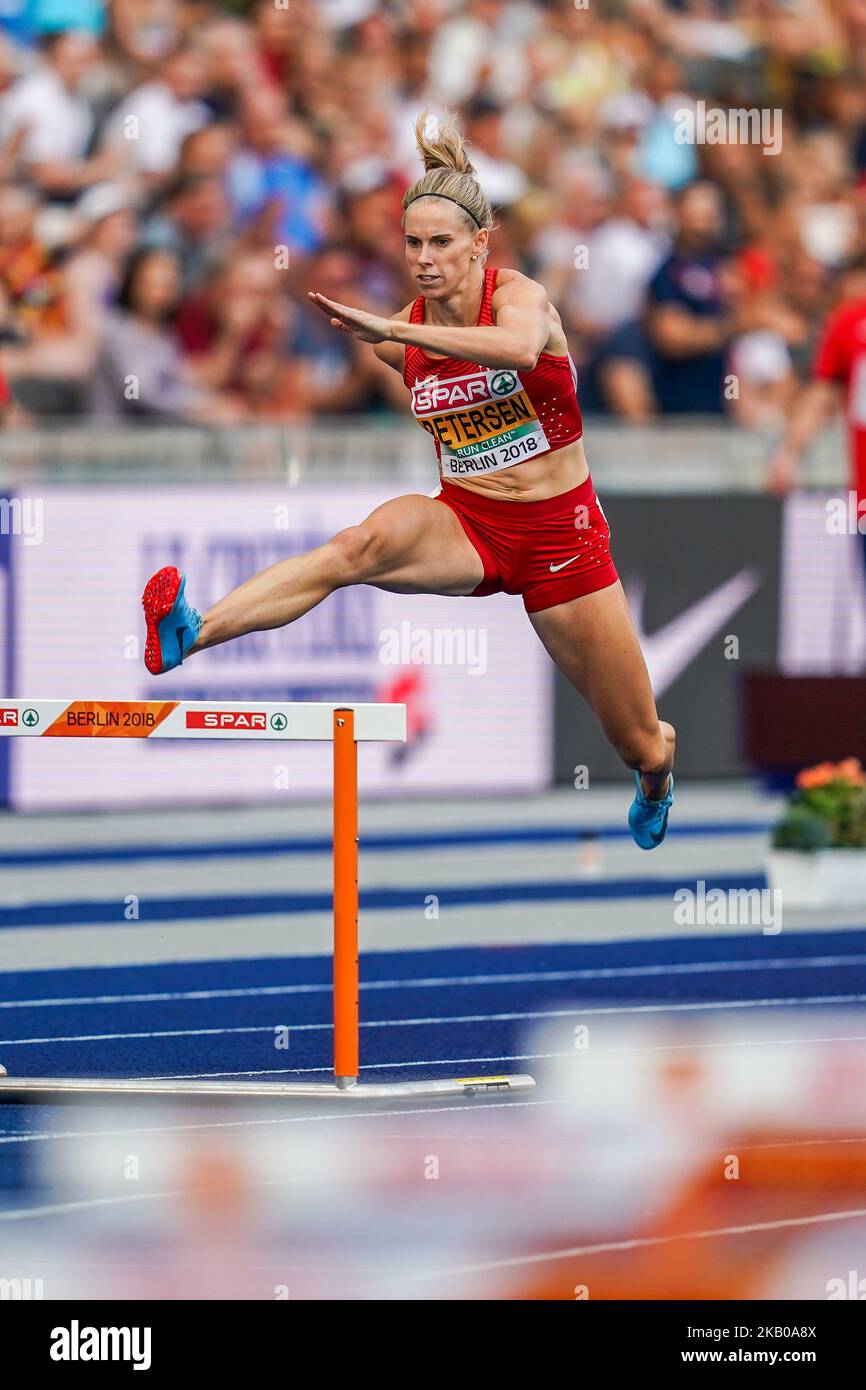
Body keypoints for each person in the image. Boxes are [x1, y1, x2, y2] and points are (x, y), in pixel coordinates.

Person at [141, 111, 676, 850]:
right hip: (468, 522)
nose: (424, 259)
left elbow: (517, 352)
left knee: (639, 739)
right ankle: (192, 633)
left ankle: (655, 778)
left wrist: (397, 332)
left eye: (442, 243)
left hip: (563, 537)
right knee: (352, 549)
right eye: (413, 243)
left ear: (479, 245)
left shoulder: (516, 299)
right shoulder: (401, 336)